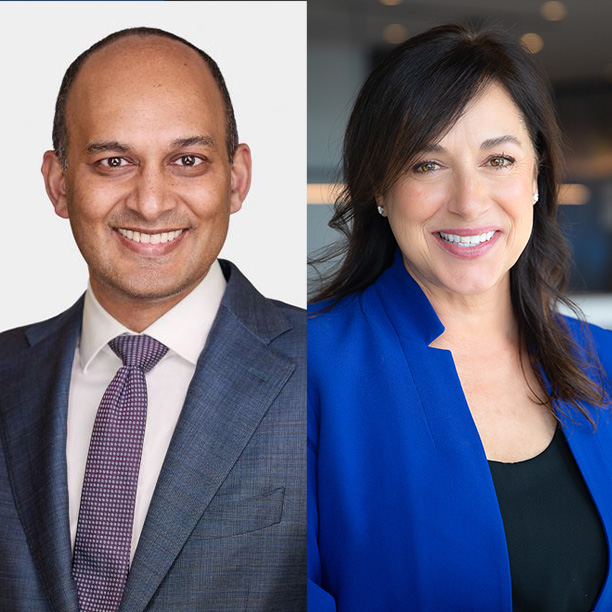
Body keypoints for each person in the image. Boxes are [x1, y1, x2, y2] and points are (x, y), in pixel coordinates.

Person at [308, 24, 612, 612]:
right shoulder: (301, 368)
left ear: (536, 177)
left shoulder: (605, 361)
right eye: (427, 164)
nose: (469, 200)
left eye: (498, 159)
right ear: (379, 184)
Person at [0, 27, 305, 612]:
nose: (150, 201)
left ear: (237, 178)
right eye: (113, 162)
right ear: (59, 184)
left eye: (187, 161)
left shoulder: (325, 370)